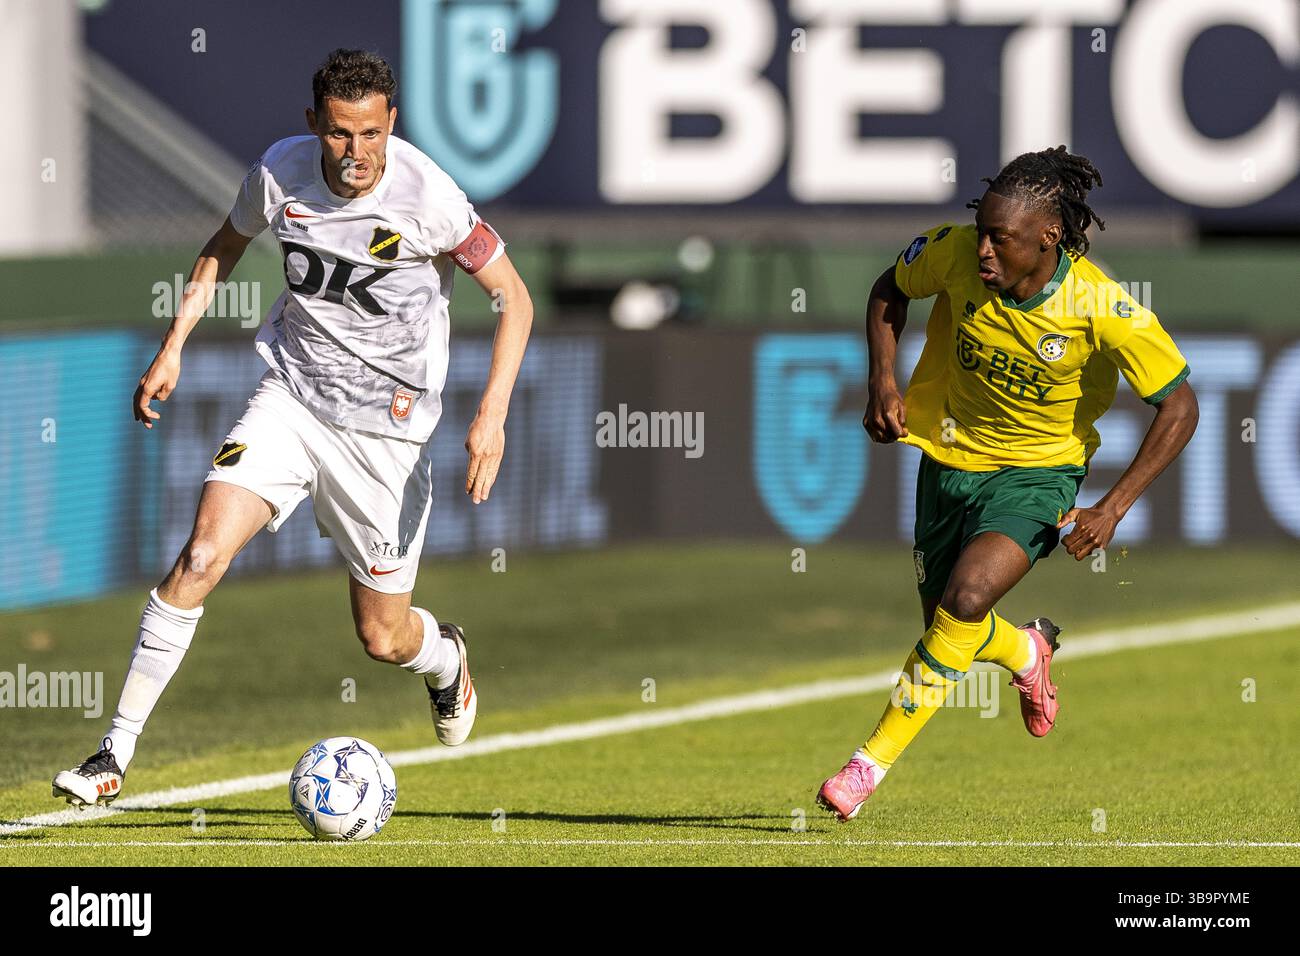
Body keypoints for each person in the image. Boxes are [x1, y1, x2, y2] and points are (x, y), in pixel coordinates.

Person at [53, 48, 533, 808]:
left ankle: (444, 660)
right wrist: (172, 347)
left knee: (381, 637)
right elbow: (223, 247)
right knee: (203, 552)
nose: (356, 154)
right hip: (292, 399)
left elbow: (514, 297)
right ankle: (114, 750)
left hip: (387, 437)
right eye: (341, 134)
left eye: (371, 134)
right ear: (315, 124)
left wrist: (493, 414)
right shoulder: (278, 174)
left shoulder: (429, 197)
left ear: (391, 123)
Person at [817, 146, 1199, 822]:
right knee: (948, 620)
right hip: (948, 460)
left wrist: (1112, 507)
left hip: (1039, 473)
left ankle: (865, 767)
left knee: (963, 599)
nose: (984, 250)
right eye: (983, 230)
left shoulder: (1100, 307)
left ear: (1049, 236)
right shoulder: (955, 253)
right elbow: (888, 290)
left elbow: (1180, 404)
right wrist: (882, 380)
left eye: (1002, 237)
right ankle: (1026, 650)